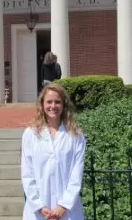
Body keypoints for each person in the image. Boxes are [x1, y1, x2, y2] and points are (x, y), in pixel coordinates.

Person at [21, 83, 86, 220]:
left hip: (68, 211)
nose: (53, 106)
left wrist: (63, 206)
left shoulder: (76, 135)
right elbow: (27, 174)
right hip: (38, 211)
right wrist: (39, 206)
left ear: (63, 105)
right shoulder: (30, 134)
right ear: (42, 104)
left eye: (57, 102)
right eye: (49, 102)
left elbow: (76, 174)